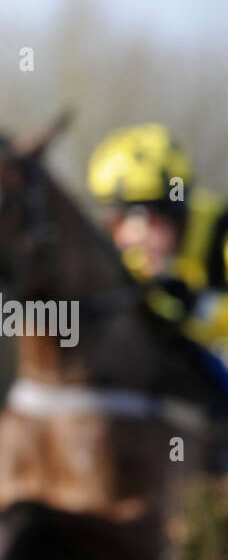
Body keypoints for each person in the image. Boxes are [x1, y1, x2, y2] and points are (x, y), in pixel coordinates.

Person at [87, 124, 228, 400]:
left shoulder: (218, 233)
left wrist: (198, 305)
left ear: (178, 213)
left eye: (151, 217)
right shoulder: (113, 259)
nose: (136, 235)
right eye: (122, 219)